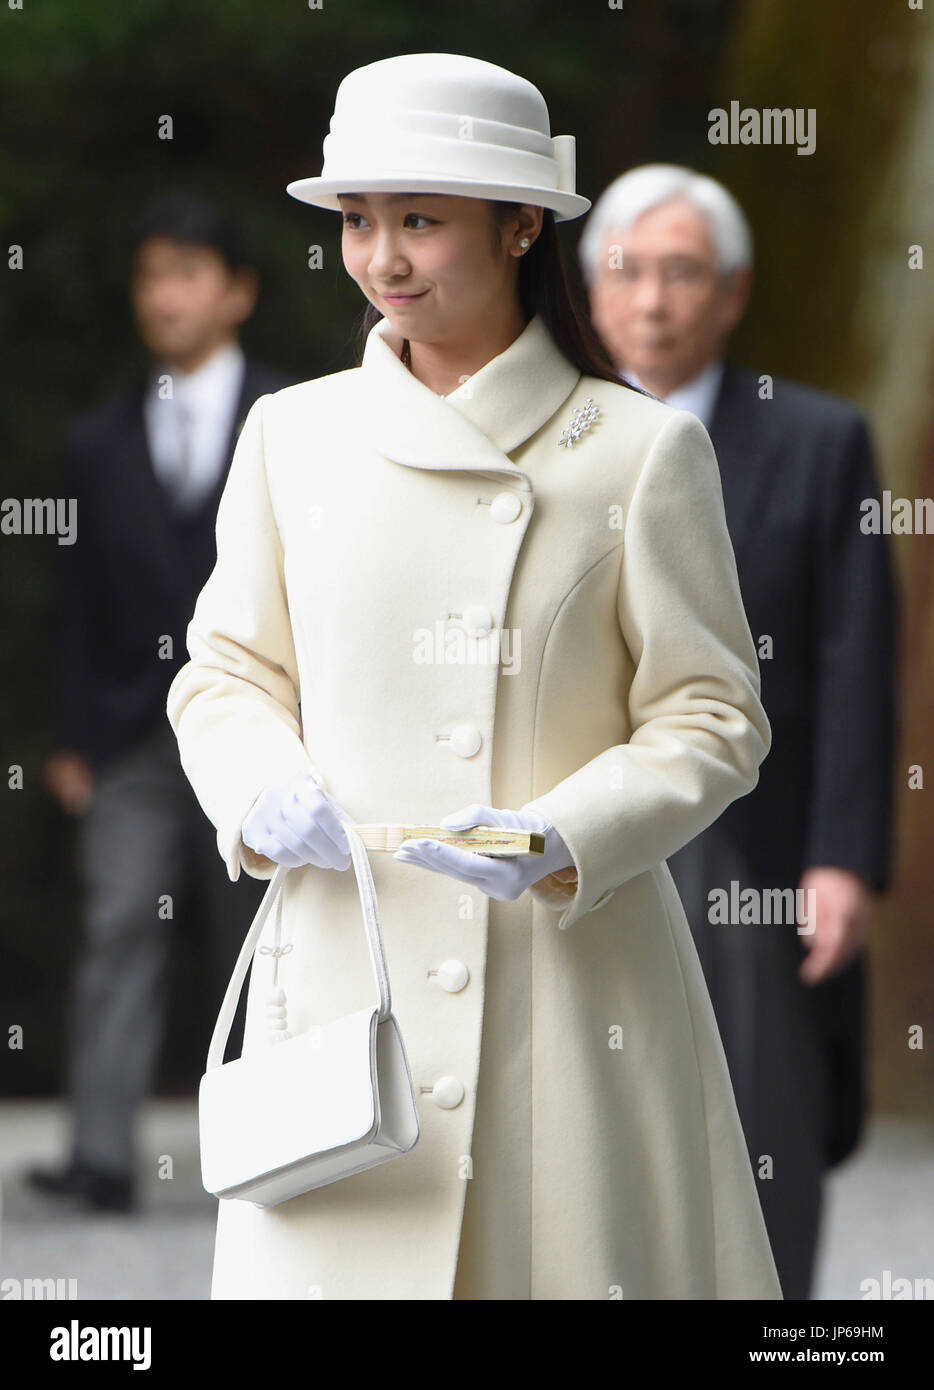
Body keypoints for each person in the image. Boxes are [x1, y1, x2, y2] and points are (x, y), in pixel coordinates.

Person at [166, 53, 783, 1300]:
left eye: (419, 220)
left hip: (570, 976)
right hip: (344, 959)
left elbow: (713, 713)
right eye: (357, 220)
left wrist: (567, 829)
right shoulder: (293, 433)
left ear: (518, 226)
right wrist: (257, 788)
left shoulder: (642, 449)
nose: (383, 257)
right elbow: (223, 669)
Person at [578, 163, 898, 1299]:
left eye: (681, 273)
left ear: (732, 290)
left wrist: (844, 858)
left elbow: (860, 659)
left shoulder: (817, 442)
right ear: (588, 285)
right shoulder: (548, 437)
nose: (653, 301)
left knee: (765, 1117)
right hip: (577, 836)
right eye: (627, 272)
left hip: (755, 845)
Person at [30, 191, 293, 1212]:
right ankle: (101, 1153)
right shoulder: (97, 441)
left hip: (263, 723)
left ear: (238, 291)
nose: (164, 294)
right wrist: (70, 737)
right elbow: (75, 598)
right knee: (117, 926)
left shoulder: (292, 420)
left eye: (187, 271)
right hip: (132, 733)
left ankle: (273, 1149)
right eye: (150, 274)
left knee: (265, 936)